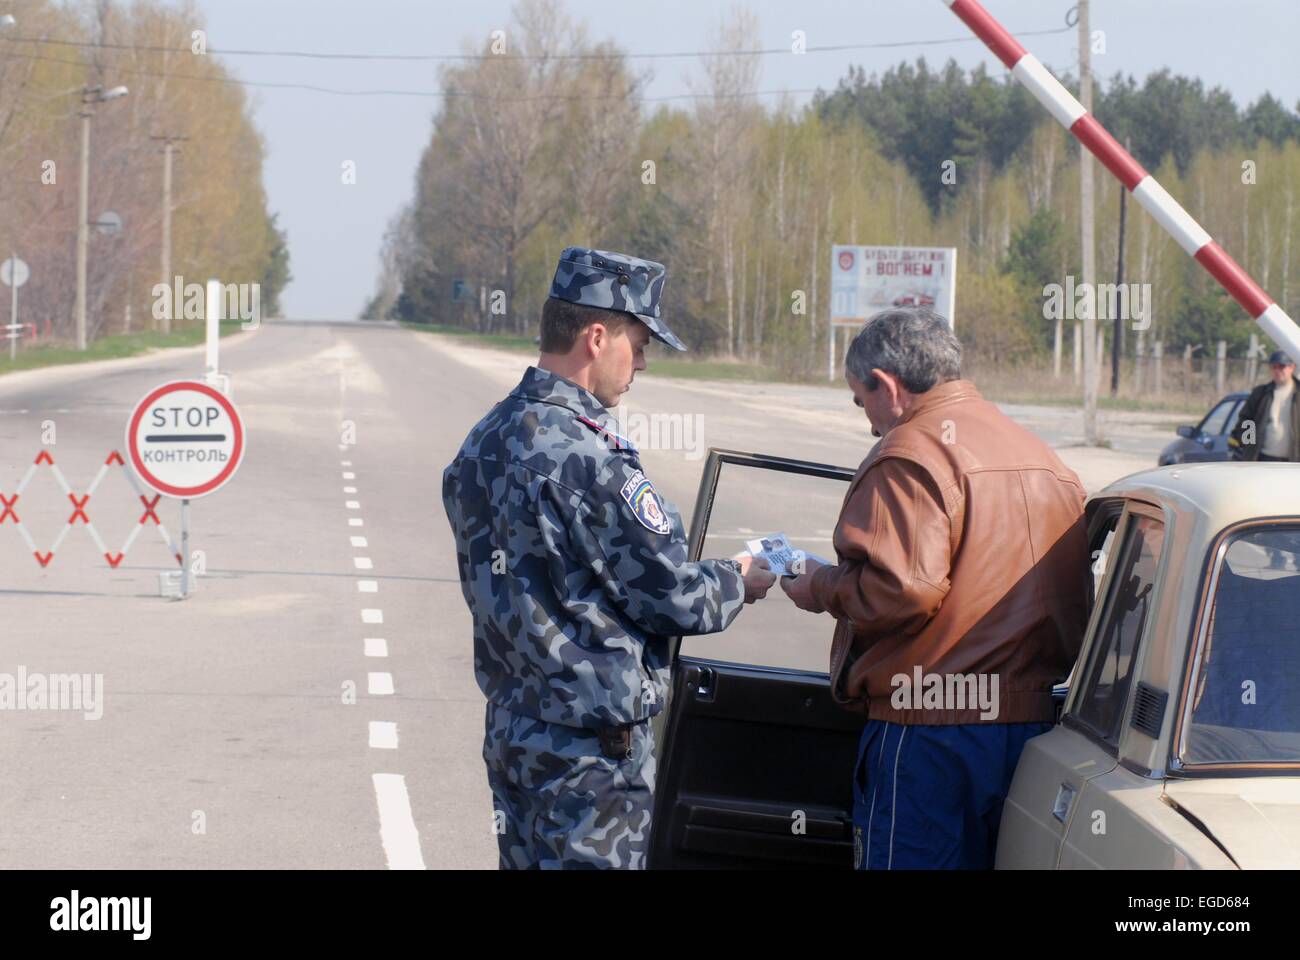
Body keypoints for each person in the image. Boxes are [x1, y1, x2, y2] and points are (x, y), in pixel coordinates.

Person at [442, 246, 776, 869]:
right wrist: (739, 578)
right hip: (589, 757)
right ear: (597, 336)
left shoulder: (483, 440)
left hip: (515, 731)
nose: (642, 363)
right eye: (640, 342)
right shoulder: (590, 459)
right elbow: (673, 594)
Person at [781, 307, 1089, 869]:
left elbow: (903, 591)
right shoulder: (1046, 460)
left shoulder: (909, 452)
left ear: (890, 388)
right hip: (1033, 732)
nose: (870, 424)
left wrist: (819, 585)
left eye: (862, 401)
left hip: (930, 732)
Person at [1229, 350, 1300, 461]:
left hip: (1294, 463)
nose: (1277, 371)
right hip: (1264, 459)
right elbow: (1247, 421)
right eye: (1273, 367)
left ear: (1292, 367)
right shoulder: (1260, 393)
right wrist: (1248, 447)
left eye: (1281, 367)